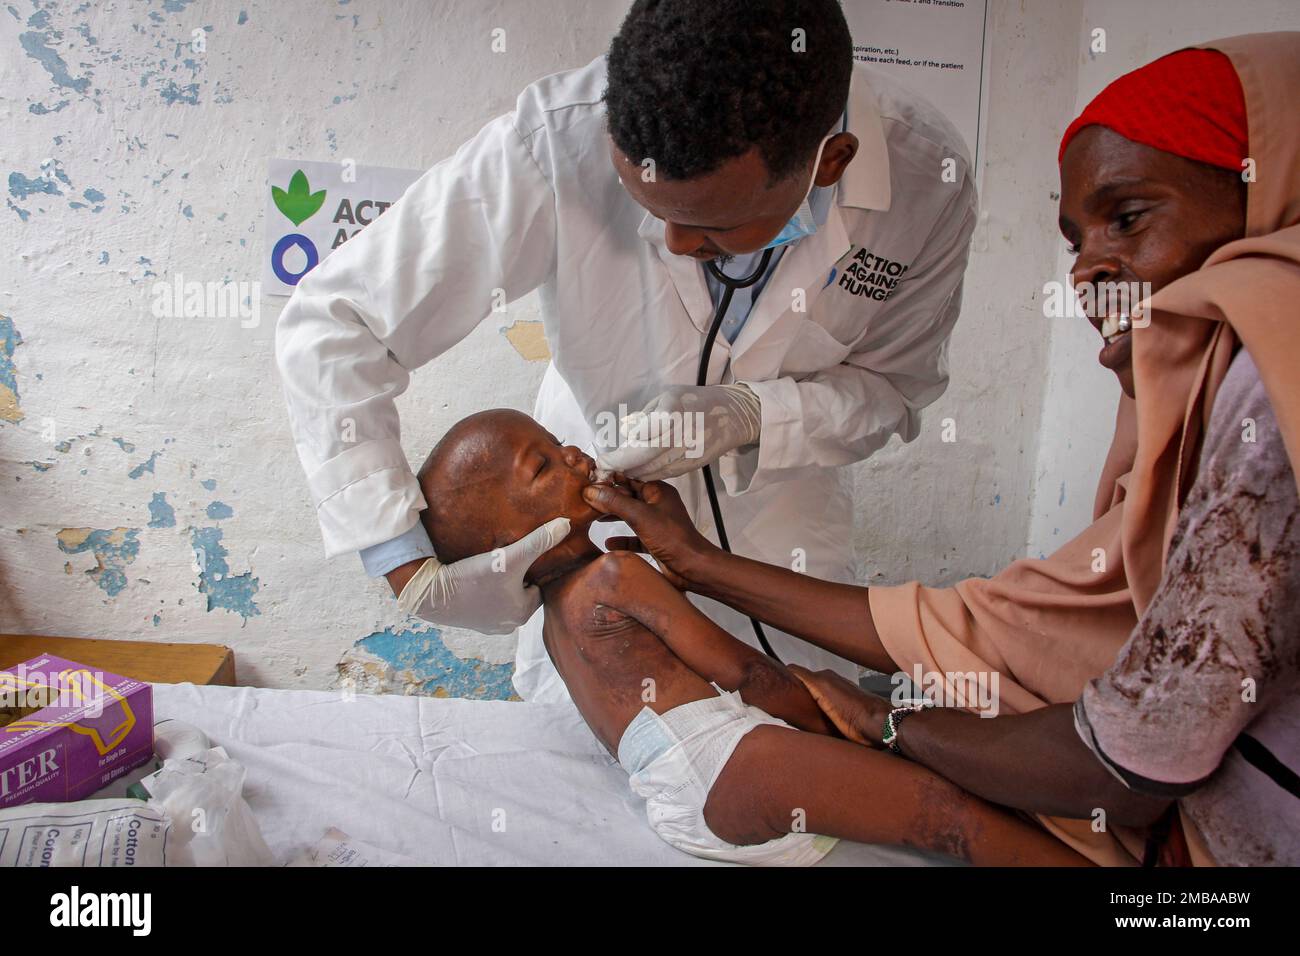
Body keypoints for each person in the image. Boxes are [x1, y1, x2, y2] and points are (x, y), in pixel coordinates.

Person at [582, 33, 1300, 865]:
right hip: (1169, 812)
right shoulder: (1194, 412)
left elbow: (1122, 763)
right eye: (1075, 244)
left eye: (1128, 217)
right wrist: (698, 563)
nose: (1090, 274)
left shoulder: (1268, 389)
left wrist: (892, 724)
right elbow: (1005, 627)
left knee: (775, 770)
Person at [273, 0, 977, 700]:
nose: (671, 244)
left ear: (831, 163)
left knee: (789, 731)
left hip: (781, 531)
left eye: (710, 224)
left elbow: (892, 387)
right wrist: (405, 564)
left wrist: (750, 415)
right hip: (589, 552)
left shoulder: (926, 182)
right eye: (648, 207)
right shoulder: (556, 140)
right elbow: (335, 322)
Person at [412, 408, 1088, 866]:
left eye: (555, 442)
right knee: (946, 812)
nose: (572, 454)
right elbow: (742, 672)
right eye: (542, 468)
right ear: (510, 541)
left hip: (681, 801)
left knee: (934, 791)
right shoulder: (618, 574)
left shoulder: (551, 622)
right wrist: (821, 717)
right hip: (732, 768)